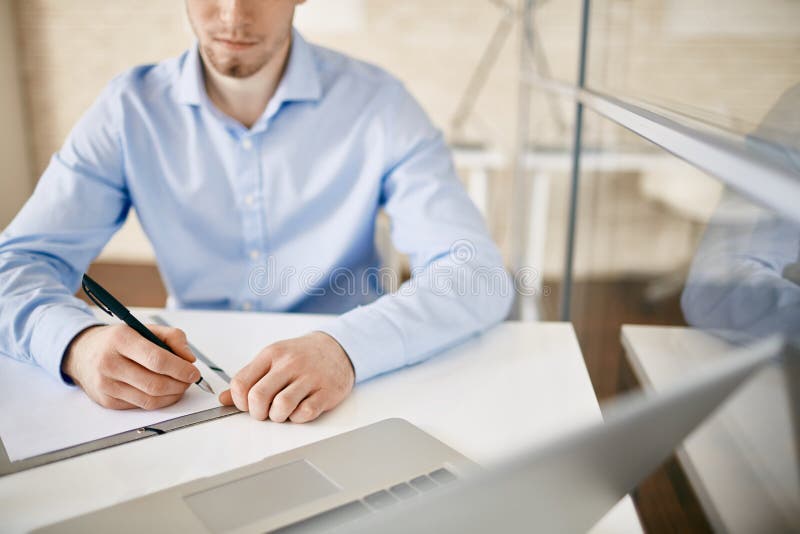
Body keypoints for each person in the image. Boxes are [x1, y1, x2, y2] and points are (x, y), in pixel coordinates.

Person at [0, 0, 512, 423]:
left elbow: (478, 275)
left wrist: (347, 347)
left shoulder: (380, 105)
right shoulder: (127, 111)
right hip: (187, 397)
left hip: (352, 392)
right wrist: (77, 343)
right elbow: (13, 269)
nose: (232, 13)